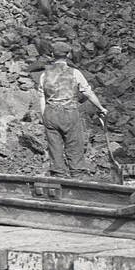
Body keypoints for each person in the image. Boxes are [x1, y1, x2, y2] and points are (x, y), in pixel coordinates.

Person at [37, 42, 106, 179]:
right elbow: (88, 92)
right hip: (69, 112)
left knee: (54, 147)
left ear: (52, 55)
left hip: (50, 112)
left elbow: (41, 97)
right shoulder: (75, 73)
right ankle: (77, 175)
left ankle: (58, 174)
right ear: (68, 55)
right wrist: (100, 108)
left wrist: (44, 115)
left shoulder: (44, 75)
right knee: (74, 144)